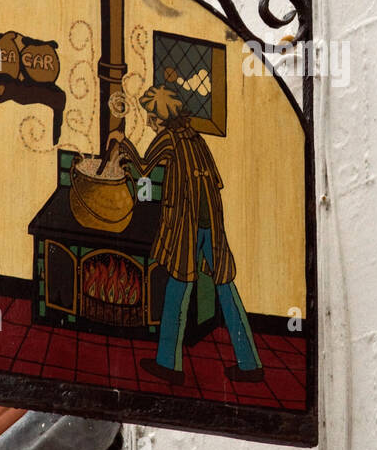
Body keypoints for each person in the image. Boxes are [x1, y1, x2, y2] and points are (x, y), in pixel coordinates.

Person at [106, 81, 264, 385]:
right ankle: (250, 363)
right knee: (226, 291)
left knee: (177, 291)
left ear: (161, 119)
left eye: (152, 118)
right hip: (212, 226)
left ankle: (169, 365)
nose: (150, 123)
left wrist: (122, 144)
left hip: (189, 227)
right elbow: (214, 183)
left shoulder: (168, 140)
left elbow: (142, 169)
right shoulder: (195, 138)